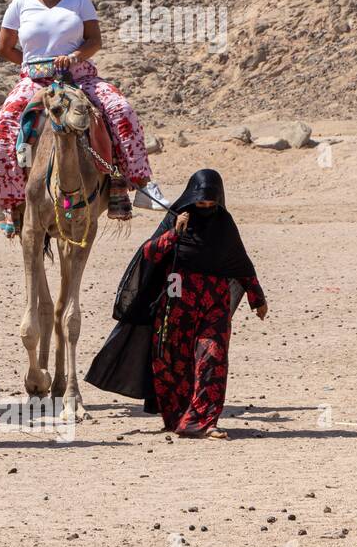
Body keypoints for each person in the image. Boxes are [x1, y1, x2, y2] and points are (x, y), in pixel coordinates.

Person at [0, 0, 169, 231]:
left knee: (120, 109)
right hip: (35, 79)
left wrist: (75, 57)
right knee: (6, 122)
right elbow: (4, 48)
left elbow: (95, 41)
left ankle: (141, 184)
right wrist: (30, 65)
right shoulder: (19, 4)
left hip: (79, 76)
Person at [87, 169, 268, 439]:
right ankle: (179, 419)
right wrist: (174, 232)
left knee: (212, 359)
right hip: (176, 309)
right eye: (200, 202)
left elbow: (241, 263)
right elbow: (149, 253)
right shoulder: (176, 217)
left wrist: (257, 298)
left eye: (210, 203)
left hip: (213, 306)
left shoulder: (224, 224)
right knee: (173, 367)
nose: (205, 207)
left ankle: (204, 422)